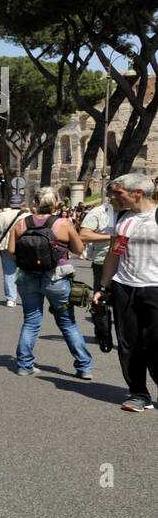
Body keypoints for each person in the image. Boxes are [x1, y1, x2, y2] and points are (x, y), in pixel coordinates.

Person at [6, 187, 91, 379]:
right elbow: (78, 249)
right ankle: (84, 367)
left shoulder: (21, 224)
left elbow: (11, 251)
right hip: (57, 278)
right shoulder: (63, 223)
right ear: (56, 205)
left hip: (27, 277)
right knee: (68, 323)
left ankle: (25, 365)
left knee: (31, 321)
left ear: (34, 202)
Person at [93, 173, 158, 412]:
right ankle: (138, 393)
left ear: (137, 193)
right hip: (124, 286)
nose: (111, 197)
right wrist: (103, 286)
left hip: (155, 288)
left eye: (117, 193)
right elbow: (114, 252)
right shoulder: (122, 218)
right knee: (128, 343)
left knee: (154, 344)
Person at [79, 187, 124, 292]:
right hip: (103, 262)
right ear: (110, 195)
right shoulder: (100, 212)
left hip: (126, 264)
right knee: (101, 300)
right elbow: (84, 236)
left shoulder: (132, 211)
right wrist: (112, 237)